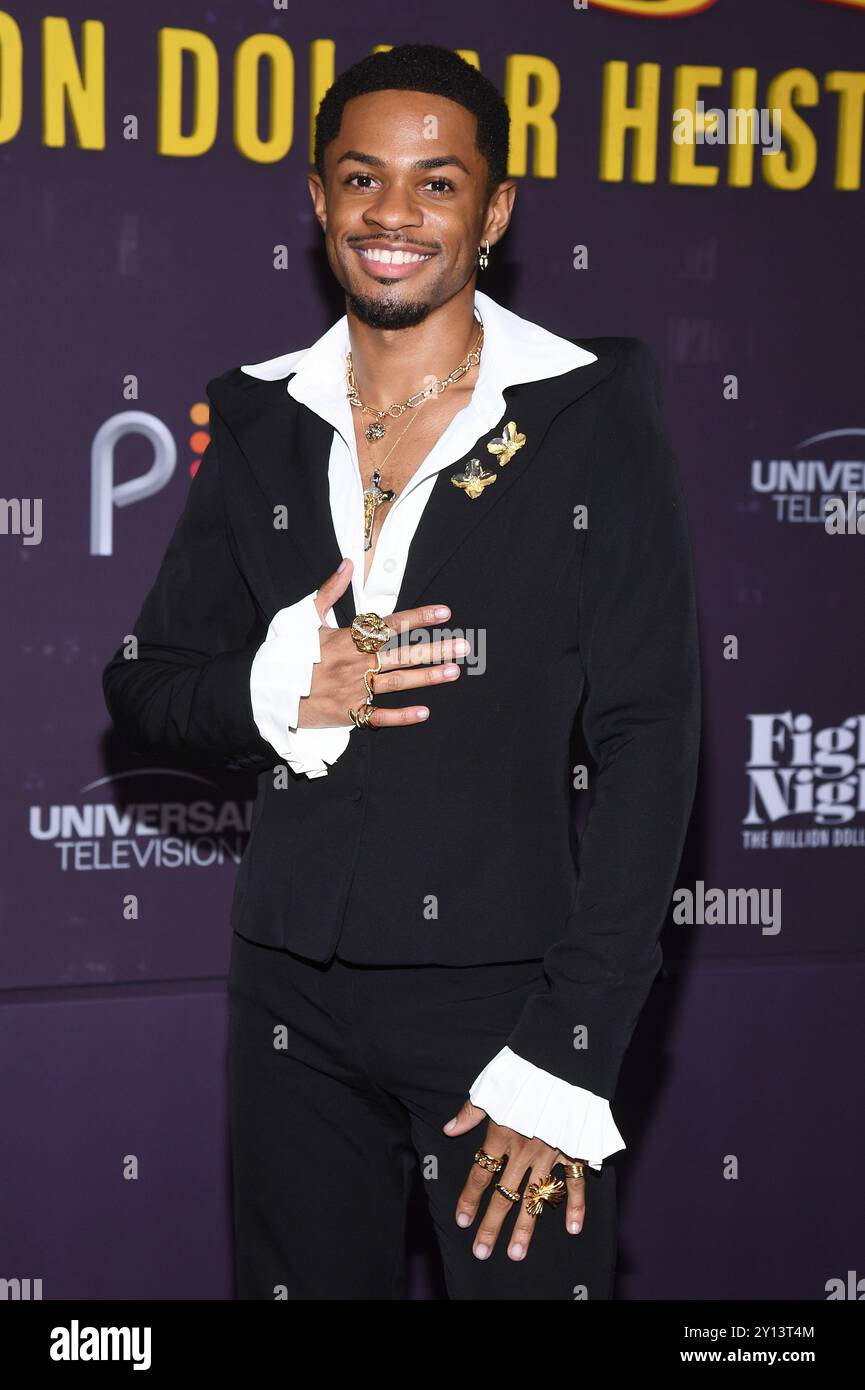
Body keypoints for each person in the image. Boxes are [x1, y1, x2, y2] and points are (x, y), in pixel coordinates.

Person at [102, 42, 701, 1300]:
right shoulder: (259, 415)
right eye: (362, 178)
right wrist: (278, 693)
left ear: (492, 213)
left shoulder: (588, 410)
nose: (393, 213)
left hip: (511, 1003)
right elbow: (147, 684)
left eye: (437, 184)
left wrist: (568, 1054)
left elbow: (652, 735)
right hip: (289, 998)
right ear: (318, 201)